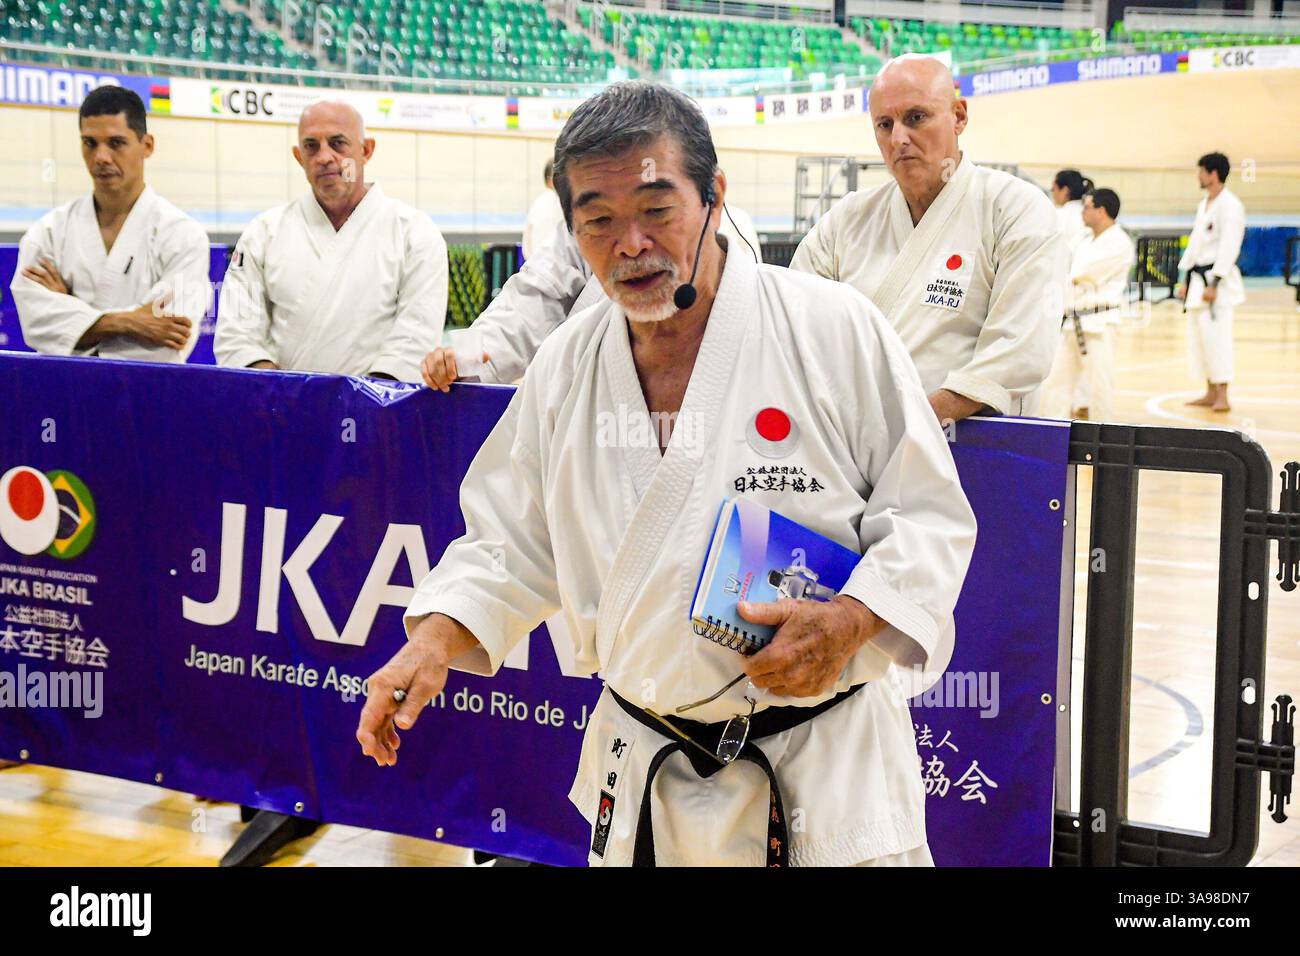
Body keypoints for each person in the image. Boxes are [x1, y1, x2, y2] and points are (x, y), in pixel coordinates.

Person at [356, 82, 977, 867]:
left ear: (715, 196)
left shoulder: (833, 328)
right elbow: (510, 543)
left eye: (657, 210)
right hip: (647, 773)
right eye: (599, 221)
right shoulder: (566, 368)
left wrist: (852, 619)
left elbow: (929, 516)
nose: (630, 245)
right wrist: (433, 641)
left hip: (823, 774)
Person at [789, 54, 1067, 422]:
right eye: (884, 124)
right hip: (852, 451)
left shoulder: (1015, 209)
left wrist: (913, 425)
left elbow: (1018, 350)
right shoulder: (846, 220)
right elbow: (794, 323)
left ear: (959, 116)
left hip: (972, 451)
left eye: (916, 118)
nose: (899, 138)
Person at [419, 196, 763, 390]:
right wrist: (467, 358)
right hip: (595, 410)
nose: (632, 244)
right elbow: (533, 299)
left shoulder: (735, 228)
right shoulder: (577, 229)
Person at [214, 100, 448, 382]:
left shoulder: (414, 233)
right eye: (311, 146)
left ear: (366, 150)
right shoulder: (263, 232)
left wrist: (364, 405)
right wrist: (279, 394)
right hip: (279, 408)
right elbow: (236, 332)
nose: (324, 157)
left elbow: (416, 336)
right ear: (299, 157)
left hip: (376, 412)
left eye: (338, 143)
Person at [11, 86, 210, 362]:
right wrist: (128, 323)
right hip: (66, 392)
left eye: (116, 143)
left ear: (147, 145)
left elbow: (171, 336)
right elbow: (36, 324)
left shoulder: (183, 235)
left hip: (147, 393)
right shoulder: (48, 233)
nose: (101, 157)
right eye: (90, 143)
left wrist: (73, 314)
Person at [1041, 188, 1134, 421]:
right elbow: (1058, 262)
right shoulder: (1082, 238)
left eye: (1087, 207)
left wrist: (1061, 275)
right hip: (1072, 321)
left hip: (1100, 323)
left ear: (1101, 211)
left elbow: (1080, 273)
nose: (1082, 212)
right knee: (1055, 383)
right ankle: (1053, 436)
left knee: (1099, 386)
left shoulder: (1120, 242)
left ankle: (1105, 447)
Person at [1177, 152, 1245, 413]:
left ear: (1213, 173)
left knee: (1218, 339)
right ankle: (1209, 390)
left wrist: (1214, 283)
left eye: (1201, 171)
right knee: (1199, 339)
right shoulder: (1204, 204)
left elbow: (1230, 246)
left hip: (1217, 284)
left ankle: (1223, 395)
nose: (1199, 176)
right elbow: (1194, 245)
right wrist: (1185, 280)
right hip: (1197, 281)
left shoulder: (1231, 205)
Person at [522, 158, 566, 260]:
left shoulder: (539, 203)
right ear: (551, 179)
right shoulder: (553, 204)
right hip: (550, 270)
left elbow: (527, 248)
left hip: (536, 268)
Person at [1051, 169, 1093, 255]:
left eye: (1053, 189)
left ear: (1065, 190)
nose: (1053, 194)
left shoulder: (1057, 215)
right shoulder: (1091, 215)